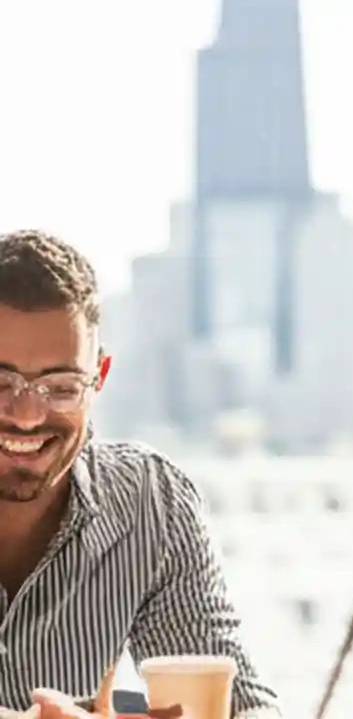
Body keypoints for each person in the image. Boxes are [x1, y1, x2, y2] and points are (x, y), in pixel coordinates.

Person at [0, 230, 280, 718]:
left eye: (60, 387)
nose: (26, 415)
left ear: (99, 377)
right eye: (0, 382)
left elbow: (238, 704)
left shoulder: (150, 500)